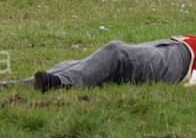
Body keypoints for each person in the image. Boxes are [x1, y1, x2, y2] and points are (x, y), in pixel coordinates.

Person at [29, 36, 196, 90]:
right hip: (173, 46)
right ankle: (23, 84)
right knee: (82, 64)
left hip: (180, 64)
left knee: (117, 53)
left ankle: (59, 83)